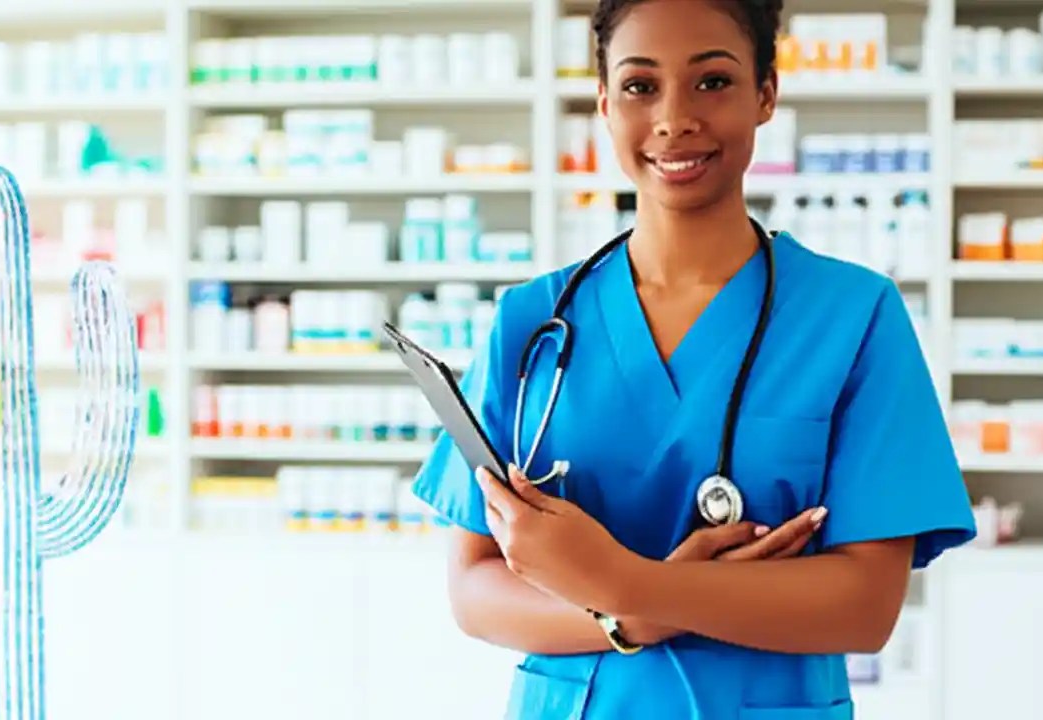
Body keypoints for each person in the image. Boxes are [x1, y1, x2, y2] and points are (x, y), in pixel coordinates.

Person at [411, 0, 976, 717]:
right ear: (605, 105)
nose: (675, 118)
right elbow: (474, 589)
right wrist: (635, 617)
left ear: (766, 93)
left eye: (712, 81)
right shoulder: (532, 322)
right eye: (641, 86)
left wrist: (622, 583)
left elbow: (864, 607)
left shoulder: (855, 315)